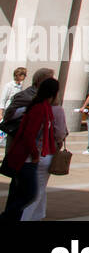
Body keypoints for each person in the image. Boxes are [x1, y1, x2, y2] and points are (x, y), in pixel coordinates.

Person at [1, 77, 58, 223]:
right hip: (27, 158)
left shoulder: (41, 106)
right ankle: (7, 217)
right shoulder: (39, 108)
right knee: (29, 194)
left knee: (21, 193)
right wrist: (35, 154)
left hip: (29, 157)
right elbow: (29, 134)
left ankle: (10, 216)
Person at [22, 80, 67, 221]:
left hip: (34, 154)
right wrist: (36, 154)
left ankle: (38, 215)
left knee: (38, 188)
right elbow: (59, 133)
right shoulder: (49, 109)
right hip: (42, 153)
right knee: (36, 191)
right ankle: (27, 217)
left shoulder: (34, 105)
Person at [0, 68, 26, 147]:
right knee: (3, 126)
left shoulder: (20, 86)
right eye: (23, 75)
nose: (25, 77)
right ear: (18, 75)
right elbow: (3, 99)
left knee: (10, 127)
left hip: (15, 110)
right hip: (8, 109)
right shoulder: (9, 85)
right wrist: (1, 112)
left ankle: (5, 141)